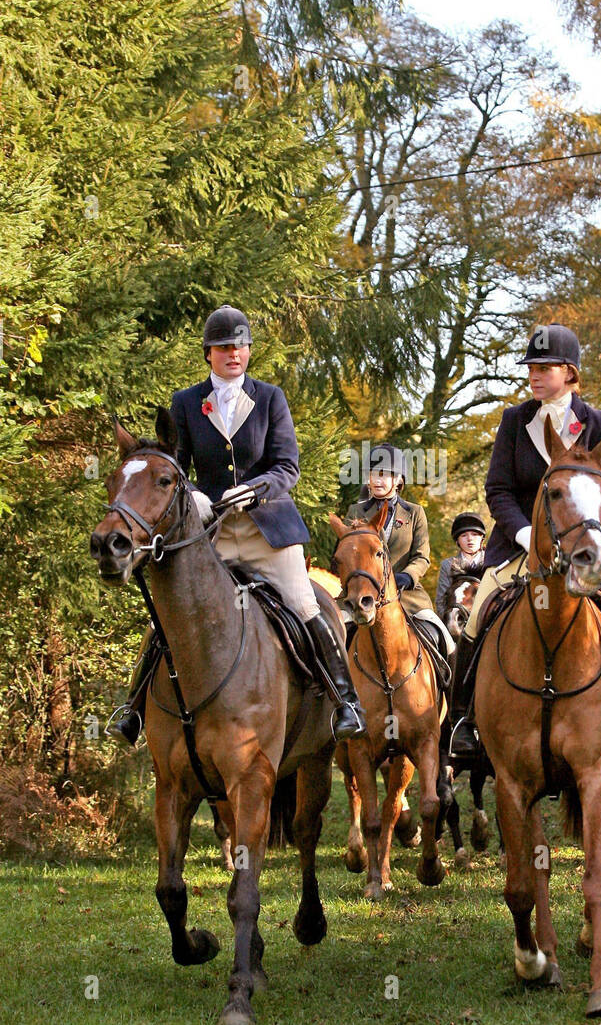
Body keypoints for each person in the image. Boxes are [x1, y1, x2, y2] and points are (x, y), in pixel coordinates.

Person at [108, 304, 366, 743]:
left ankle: (346, 702)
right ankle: (132, 709)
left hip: (269, 531)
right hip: (213, 534)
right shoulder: (186, 403)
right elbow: (176, 468)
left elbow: (288, 466)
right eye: (225, 347)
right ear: (208, 353)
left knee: (305, 604)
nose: (235, 354)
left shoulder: (270, 398)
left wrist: (257, 488)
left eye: (241, 346)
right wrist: (197, 498)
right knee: (167, 619)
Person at [448, 323, 601, 759]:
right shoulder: (514, 421)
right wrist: (523, 532)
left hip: (584, 548)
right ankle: (461, 720)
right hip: (520, 548)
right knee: (478, 613)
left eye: (544, 367)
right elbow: (498, 489)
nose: (534, 375)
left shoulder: (596, 423)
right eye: (531, 368)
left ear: (570, 372)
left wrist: (600, 544)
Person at [344, 443, 454, 658]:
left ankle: (449, 690)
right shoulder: (355, 512)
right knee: (333, 634)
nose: (376, 481)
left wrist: (407, 576)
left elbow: (422, 557)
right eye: (373, 474)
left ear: (398, 480)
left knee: (446, 641)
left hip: (407, 595)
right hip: (362, 595)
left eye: (384, 475)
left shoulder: (414, 512)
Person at [435, 513, 487, 622]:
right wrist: (448, 623)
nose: (470, 539)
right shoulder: (448, 565)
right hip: (456, 621)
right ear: (457, 540)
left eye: (474, 534)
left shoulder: (491, 562)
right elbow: (441, 601)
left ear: (482, 538)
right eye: (464, 535)